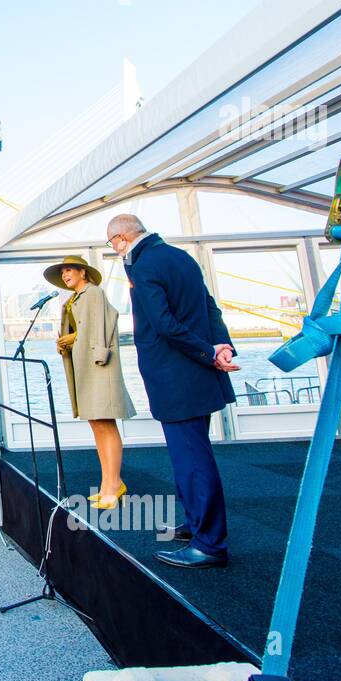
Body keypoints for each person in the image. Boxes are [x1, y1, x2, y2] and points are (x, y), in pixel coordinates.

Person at [106, 214, 237, 569]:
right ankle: (196, 524)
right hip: (197, 375)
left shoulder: (143, 266)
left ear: (121, 238)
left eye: (112, 244)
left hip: (174, 376)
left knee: (191, 460)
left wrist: (209, 352)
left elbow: (164, 325)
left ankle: (210, 544)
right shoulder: (182, 258)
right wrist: (220, 345)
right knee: (192, 453)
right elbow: (209, 307)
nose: (115, 251)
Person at [45, 255, 135, 509]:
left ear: (83, 273)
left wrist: (74, 338)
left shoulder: (93, 293)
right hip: (86, 366)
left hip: (99, 365)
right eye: (62, 272)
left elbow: (100, 327)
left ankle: (114, 484)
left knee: (106, 425)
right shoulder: (75, 299)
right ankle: (108, 484)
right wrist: (67, 341)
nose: (65, 275)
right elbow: (82, 330)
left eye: (69, 270)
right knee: (97, 425)